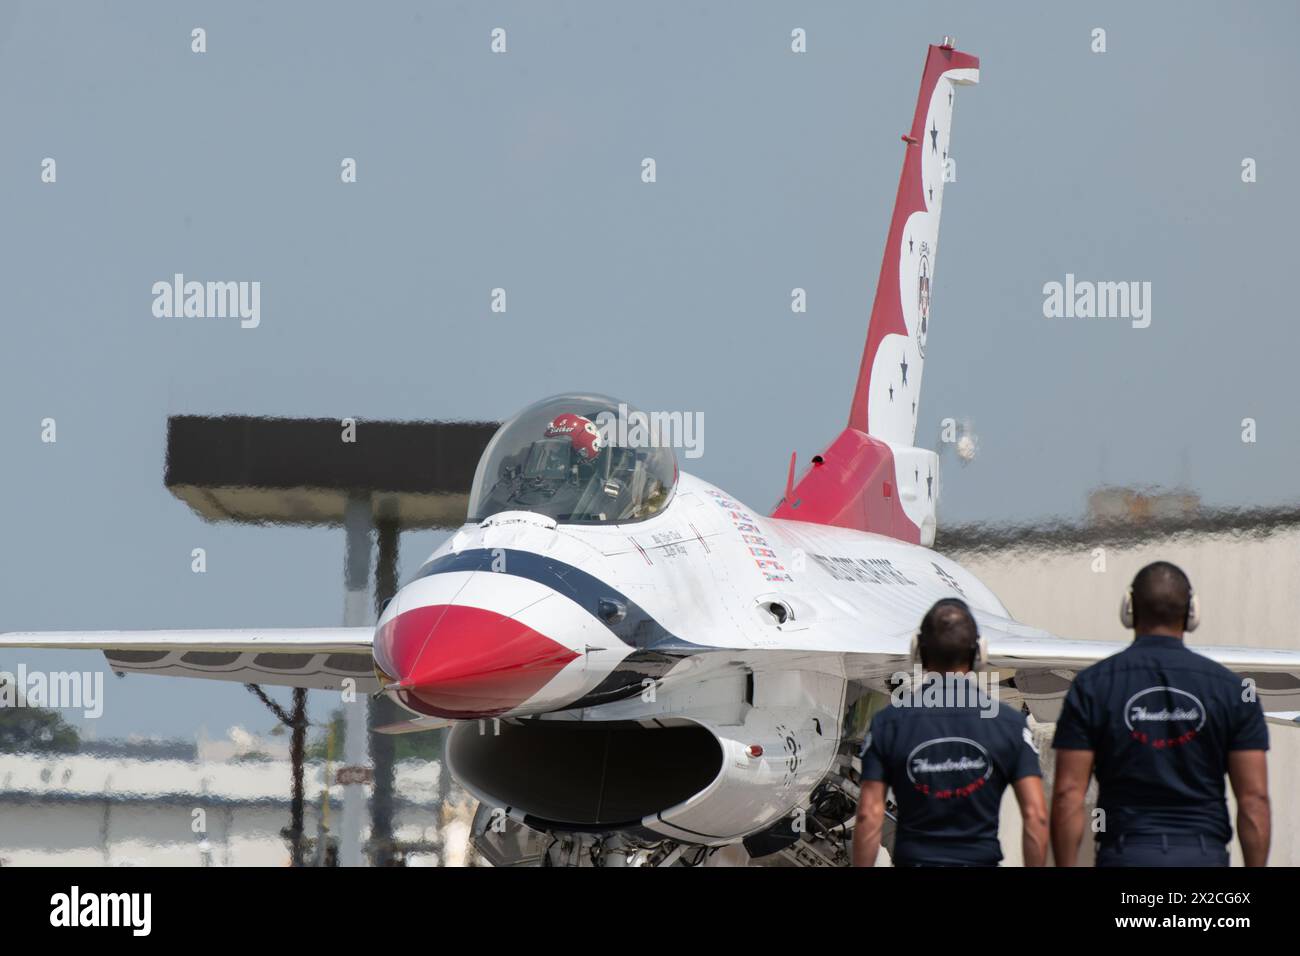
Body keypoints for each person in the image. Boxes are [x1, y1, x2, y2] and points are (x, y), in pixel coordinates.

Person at [1051, 561, 1271, 867]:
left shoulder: (1092, 686)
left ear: (1128, 610)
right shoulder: (1232, 691)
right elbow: (1254, 800)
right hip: (1202, 856)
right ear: (1192, 612)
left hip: (1126, 855)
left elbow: (1067, 794)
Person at [853, 598, 1049, 866]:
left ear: (917, 651)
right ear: (979, 653)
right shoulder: (1010, 724)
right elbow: (1036, 815)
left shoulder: (887, 725)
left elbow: (868, 814)